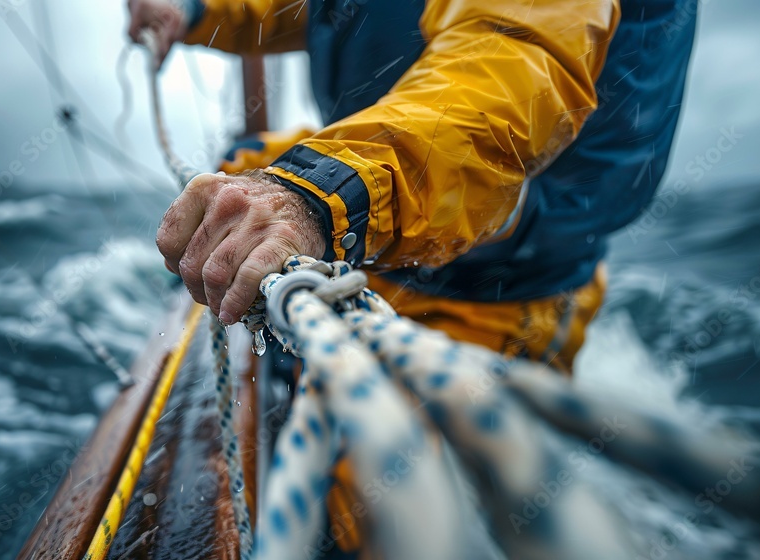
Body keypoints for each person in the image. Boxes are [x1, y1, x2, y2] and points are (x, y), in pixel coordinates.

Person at [129, 0, 697, 555]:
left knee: (394, 524)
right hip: (374, 238)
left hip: (495, 283)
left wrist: (326, 192)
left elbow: (509, 61)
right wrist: (196, 10)